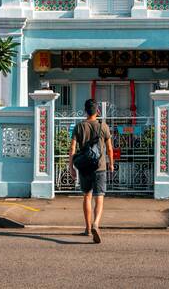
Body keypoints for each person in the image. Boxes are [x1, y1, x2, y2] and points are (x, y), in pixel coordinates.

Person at [69, 98, 114, 243]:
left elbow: (72, 148)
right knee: (99, 197)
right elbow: (109, 149)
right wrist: (111, 164)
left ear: (85, 111)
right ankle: (96, 223)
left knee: (87, 196)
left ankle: (88, 229)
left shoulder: (79, 127)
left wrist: (71, 167)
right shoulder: (103, 127)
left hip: (84, 167)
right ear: (97, 111)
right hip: (99, 167)